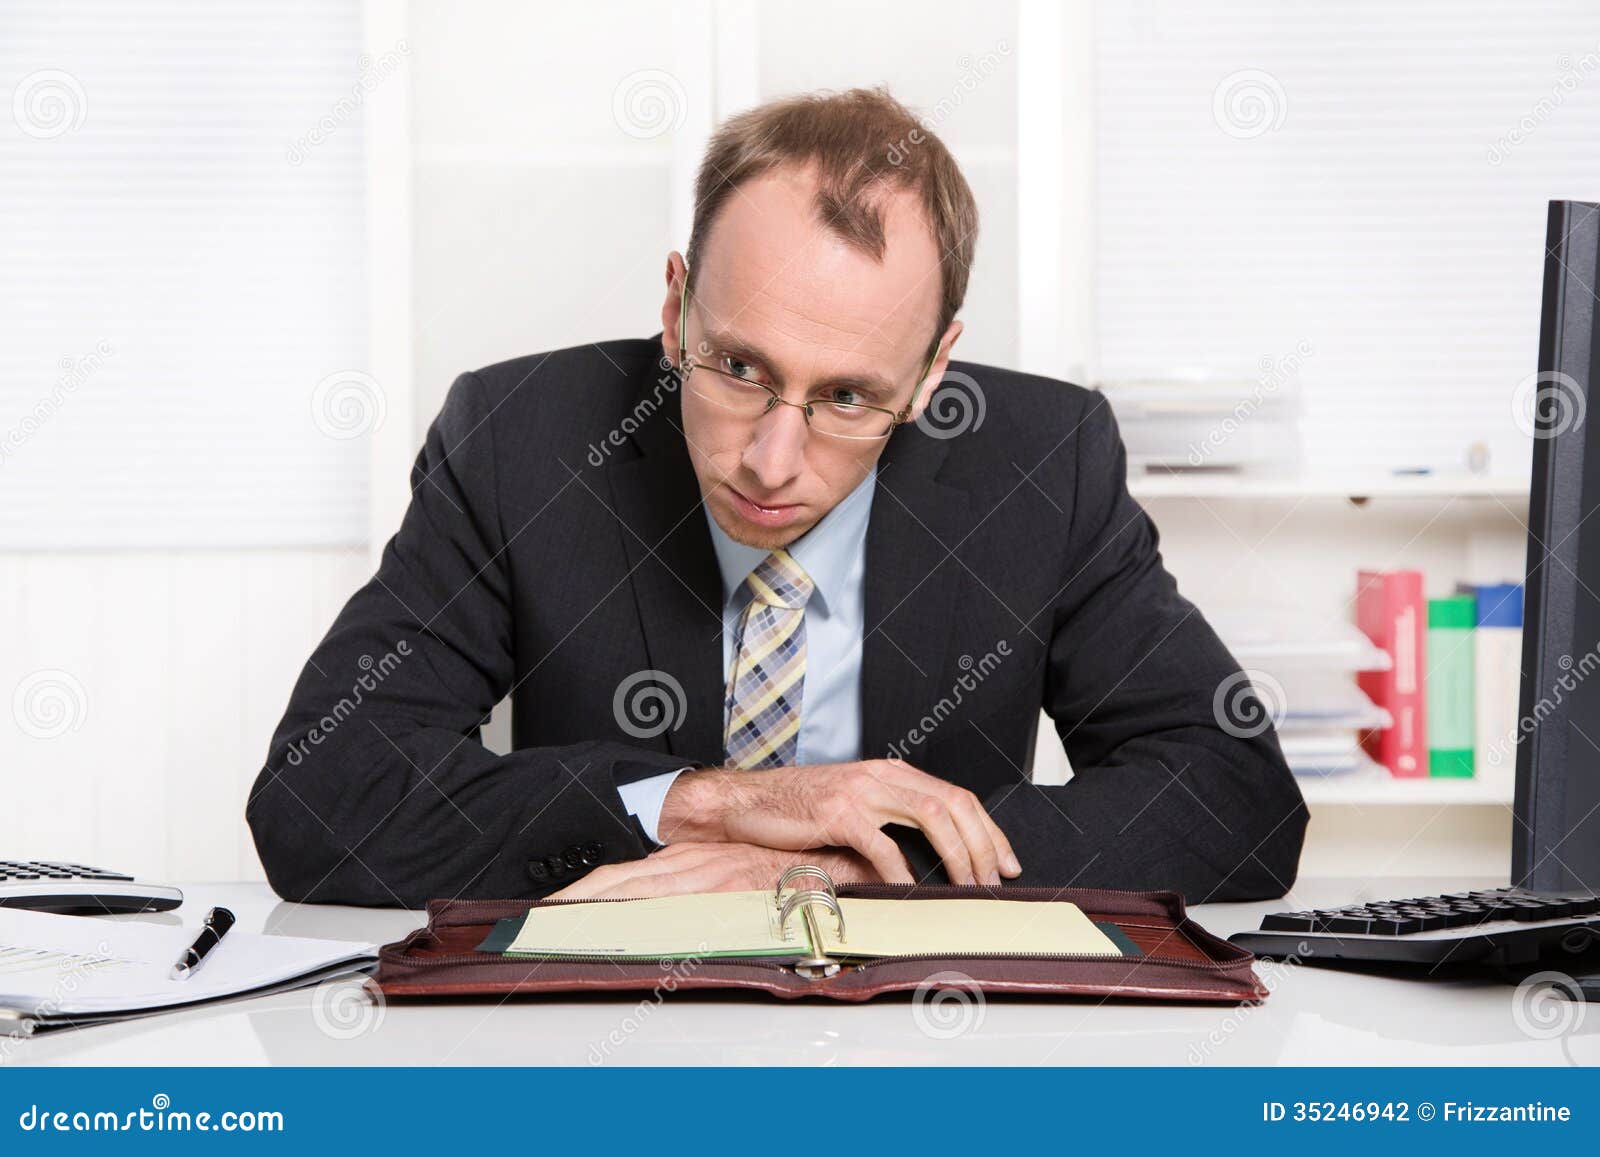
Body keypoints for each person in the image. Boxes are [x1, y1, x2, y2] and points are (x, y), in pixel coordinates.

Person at [248, 87, 1306, 908]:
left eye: (848, 395)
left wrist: (845, 865)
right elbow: (322, 791)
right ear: (674, 309)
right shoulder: (520, 436)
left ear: (935, 372)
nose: (770, 458)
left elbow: (1237, 801)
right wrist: (713, 804)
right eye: (738, 367)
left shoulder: (1044, 462)